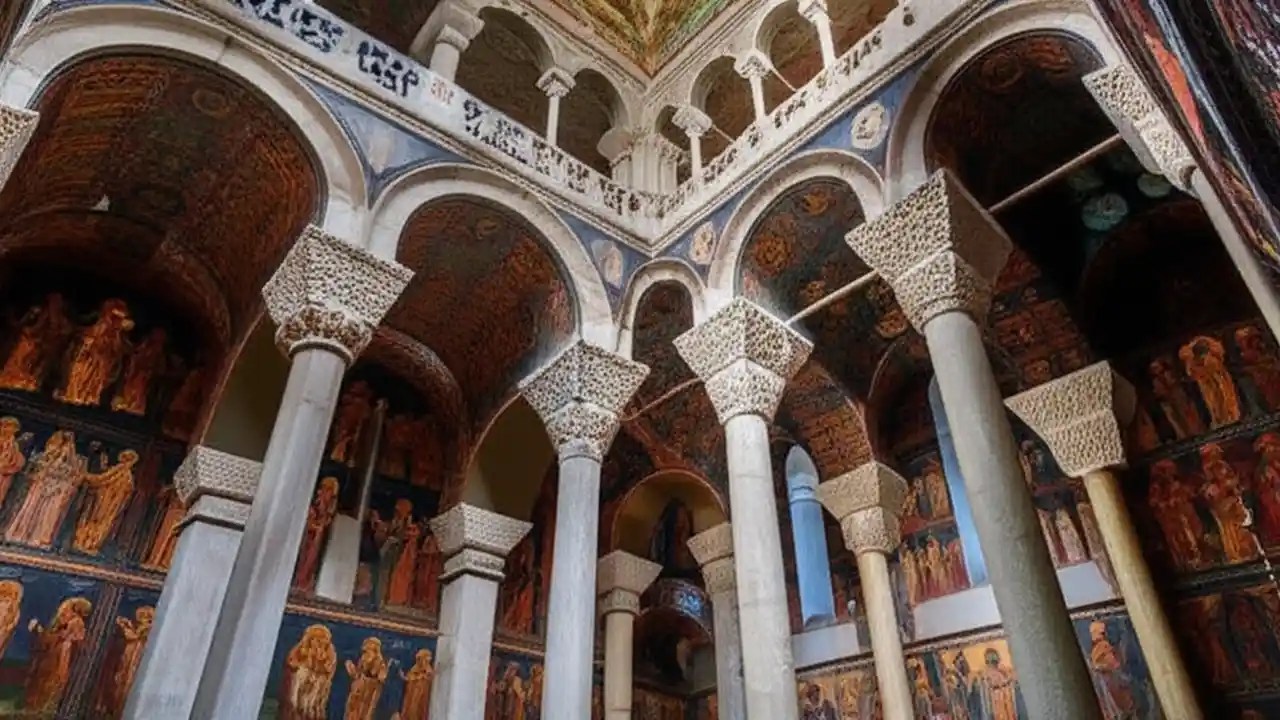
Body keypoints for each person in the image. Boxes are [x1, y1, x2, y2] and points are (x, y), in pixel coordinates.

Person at [5, 430, 86, 548]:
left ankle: (39, 538)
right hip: (42, 484)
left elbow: (71, 470)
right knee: (32, 509)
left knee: (47, 513)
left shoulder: (70, 456)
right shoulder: (50, 452)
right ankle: (21, 535)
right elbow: (40, 465)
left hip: (55, 486)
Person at [56, 299, 134, 406]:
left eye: (118, 319)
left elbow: (118, 361)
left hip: (99, 373)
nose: (114, 322)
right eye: (113, 317)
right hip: (83, 367)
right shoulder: (91, 332)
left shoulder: (118, 341)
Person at [24, 597, 92, 713]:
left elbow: (70, 639)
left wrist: (41, 632)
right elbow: (51, 639)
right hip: (54, 657)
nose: (62, 613)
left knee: (54, 681)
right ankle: (39, 707)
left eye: (66, 610)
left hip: (61, 658)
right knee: (45, 680)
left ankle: (48, 707)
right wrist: (40, 632)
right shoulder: (64, 625)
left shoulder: (75, 622)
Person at [73, 449, 138, 555]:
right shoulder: (127, 475)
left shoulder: (121, 470)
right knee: (102, 522)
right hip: (112, 503)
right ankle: (88, 543)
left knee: (97, 521)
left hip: (107, 501)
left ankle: (87, 543)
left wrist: (85, 476)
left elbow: (102, 479)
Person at [283, 625, 337, 720]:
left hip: (317, 683)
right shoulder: (301, 650)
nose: (319, 643)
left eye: (322, 641)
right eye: (316, 640)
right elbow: (292, 662)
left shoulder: (329, 653)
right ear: (310, 640)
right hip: (302, 677)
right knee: (295, 702)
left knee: (311, 704)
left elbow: (328, 669)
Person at [344, 637, 390, 720]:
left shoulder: (380, 662)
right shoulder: (363, 658)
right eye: (366, 650)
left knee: (364, 710)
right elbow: (357, 673)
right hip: (359, 688)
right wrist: (351, 668)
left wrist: (379, 676)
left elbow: (381, 677)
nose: (366, 653)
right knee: (353, 708)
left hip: (370, 691)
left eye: (369, 650)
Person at [397, 648, 433, 719]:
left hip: (421, 692)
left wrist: (420, 677)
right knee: (410, 706)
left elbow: (428, 676)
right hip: (412, 692)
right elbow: (409, 677)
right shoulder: (415, 668)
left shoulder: (427, 668)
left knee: (417, 708)